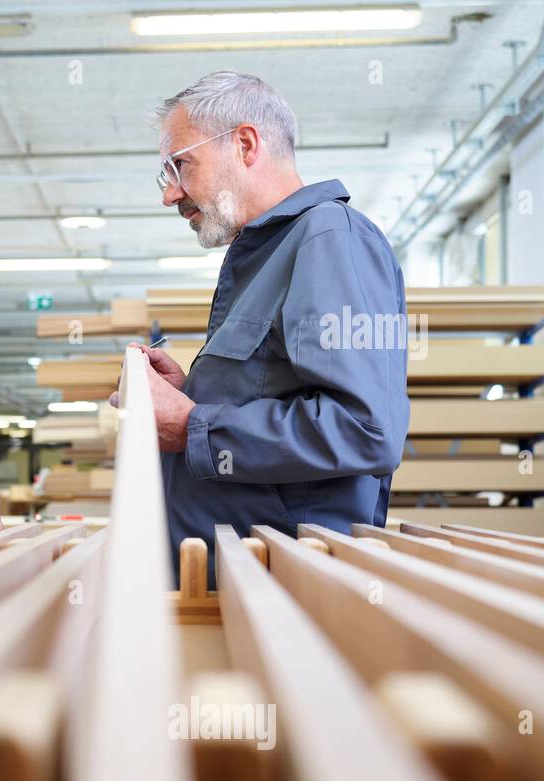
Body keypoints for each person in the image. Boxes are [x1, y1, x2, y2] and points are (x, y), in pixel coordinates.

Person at [113, 71, 409, 586]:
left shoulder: (328, 240)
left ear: (245, 144)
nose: (170, 195)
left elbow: (366, 431)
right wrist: (188, 395)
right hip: (236, 582)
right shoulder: (264, 256)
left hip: (291, 593)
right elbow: (273, 393)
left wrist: (191, 426)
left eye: (180, 165)